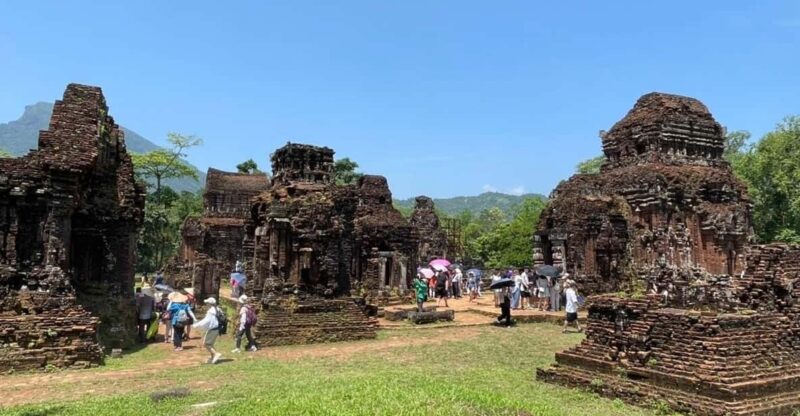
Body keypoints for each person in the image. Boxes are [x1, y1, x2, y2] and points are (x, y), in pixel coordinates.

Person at [193, 297, 223, 364]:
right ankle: (212, 358)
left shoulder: (211, 312)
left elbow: (206, 321)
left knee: (206, 344)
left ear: (209, 304)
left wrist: (197, 325)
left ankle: (216, 354)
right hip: (217, 328)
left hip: (213, 329)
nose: (206, 304)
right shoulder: (218, 309)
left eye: (207, 303)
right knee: (210, 344)